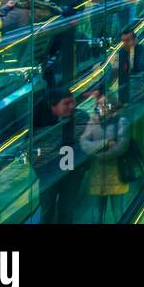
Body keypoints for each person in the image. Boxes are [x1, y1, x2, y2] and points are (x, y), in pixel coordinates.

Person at [30, 88, 87, 224]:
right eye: (66, 103)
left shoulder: (80, 117)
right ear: (53, 106)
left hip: (72, 173)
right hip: (49, 174)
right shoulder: (39, 124)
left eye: (72, 102)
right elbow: (36, 155)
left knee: (67, 209)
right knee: (47, 210)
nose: (72, 106)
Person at [81, 95, 132, 222]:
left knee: (118, 211)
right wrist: (104, 144)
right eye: (98, 105)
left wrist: (97, 154)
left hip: (116, 175)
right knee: (97, 213)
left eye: (103, 104)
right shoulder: (94, 121)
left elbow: (121, 146)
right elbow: (84, 143)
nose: (100, 108)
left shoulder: (121, 121)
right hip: (97, 177)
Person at [105, 27, 144, 108]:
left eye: (128, 40)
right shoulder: (120, 55)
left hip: (140, 96)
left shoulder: (143, 52)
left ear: (135, 40)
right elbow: (112, 75)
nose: (125, 44)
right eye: (123, 41)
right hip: (124, 97)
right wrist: (106, 89)